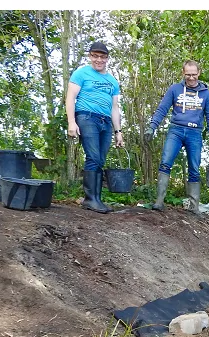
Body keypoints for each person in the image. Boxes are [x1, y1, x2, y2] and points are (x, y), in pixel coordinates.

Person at [145, 60, 209, 214]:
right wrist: (152, 127)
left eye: (194, 74)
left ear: (199, 73)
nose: (191, 78)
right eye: (188, 74)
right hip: (176, 130)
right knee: (165, 162)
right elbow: (162, 109)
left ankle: (194, 207)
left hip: (195, 133)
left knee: (194, 168)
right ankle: (159, 201)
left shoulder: (206, 94)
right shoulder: (175, 89)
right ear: (183, 73)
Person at [66, 42, 125, 214]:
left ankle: (96, 199)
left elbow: (115, 108)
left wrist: (118, 132)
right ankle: (90, 199)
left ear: (107, 59)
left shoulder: (112, 81)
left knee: (100, 159)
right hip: (86, 116)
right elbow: (70, 97)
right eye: (95, 56)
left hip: (105, 121)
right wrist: (71, 121)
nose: (99, 60)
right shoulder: (81, 73)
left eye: (102, 56)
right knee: (93, 156)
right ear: (90, 56)